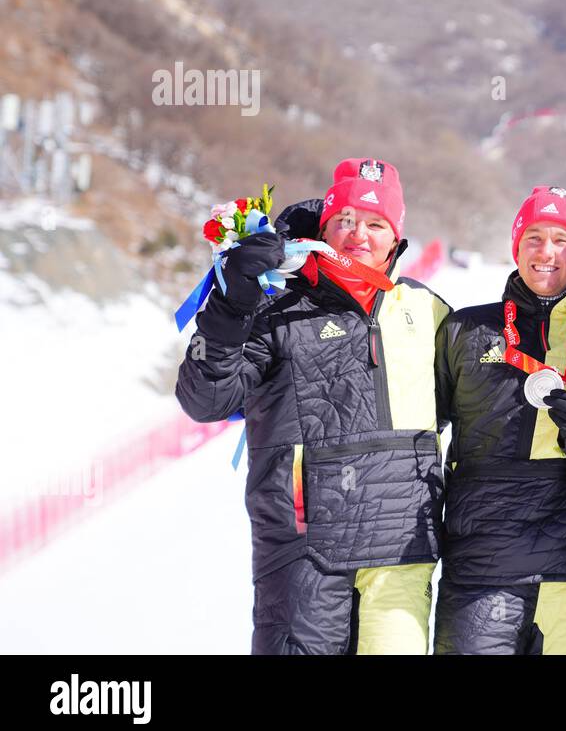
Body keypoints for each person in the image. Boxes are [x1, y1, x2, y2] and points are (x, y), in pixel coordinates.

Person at [176, 158, 450, 654]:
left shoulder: (427, 311)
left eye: (374, 224)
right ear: (322, 228)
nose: (357, 235)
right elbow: (205, 399)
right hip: (304, 546)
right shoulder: (276, 308)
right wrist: (231, 302)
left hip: (401, 553)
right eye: (343, 221)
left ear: (397, 237)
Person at [432, 186, 566, 654]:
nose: (546, 252)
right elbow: (418, 432)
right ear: (515, 245)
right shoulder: (465, 330)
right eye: (534, 237)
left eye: (562, 240)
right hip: (479, 566)